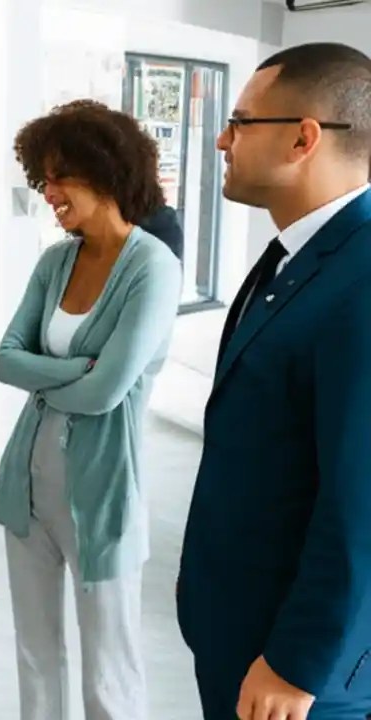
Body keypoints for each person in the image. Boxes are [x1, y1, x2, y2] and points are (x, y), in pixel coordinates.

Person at [178, 42, 371, 719]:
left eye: (241, 121)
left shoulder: (362, 277)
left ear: (302, 138)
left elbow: (361, 501)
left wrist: (297, 661)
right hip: (241, 629)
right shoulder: (296, 256)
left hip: (299, 675)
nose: (223, 139)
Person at [0, 100, 182, 720]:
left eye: (58, 177)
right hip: (27, 484)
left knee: (110, 666)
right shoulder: (55, 262)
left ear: (104, 171)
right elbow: (4, 359)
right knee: (34, 653)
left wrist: (52, 378)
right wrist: (80, 370)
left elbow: (108, 394)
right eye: (41, 179)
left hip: (101, 493)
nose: (48, 193)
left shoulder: (153, 266)